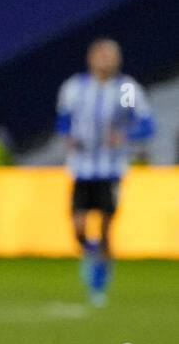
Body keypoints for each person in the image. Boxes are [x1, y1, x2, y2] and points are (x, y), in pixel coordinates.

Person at [55, 38, 154, 306]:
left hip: (111, 169)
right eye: (99, 54)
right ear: (90, 58)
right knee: (77, 227)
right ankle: (91, 254)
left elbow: (147, 124)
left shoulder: (126, 88)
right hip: (82, 168)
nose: (104, 59)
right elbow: (63, 121)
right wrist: (68, 137)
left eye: (109, 55)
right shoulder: (75, 88)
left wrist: (125, 136)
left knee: (108, 229)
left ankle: (99, 284)